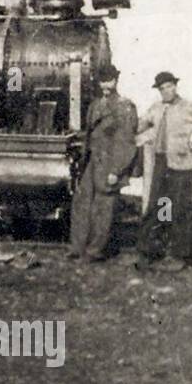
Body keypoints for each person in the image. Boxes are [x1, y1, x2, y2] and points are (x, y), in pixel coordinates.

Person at [135, 71, 192, 272]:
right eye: (162, 88)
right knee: (160, 208)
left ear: (176, 86)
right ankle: (153, 252)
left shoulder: (189, 107)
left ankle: (179, 255)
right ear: (158, 91)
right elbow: (139, 125)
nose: (166, 91)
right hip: (161, 165)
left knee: (180, 211)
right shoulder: (156, 108)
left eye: (169, 86)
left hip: (182, 168)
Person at [67, 65, 138, 261]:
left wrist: (116, 170)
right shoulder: (95, 105)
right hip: (92, 162)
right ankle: (77, 248)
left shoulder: (125, 106)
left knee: (103, 208)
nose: (106, 85)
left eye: (110, 80)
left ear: (116, 81)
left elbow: (127, 142)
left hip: (110, 163)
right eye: (103, 81)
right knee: (82, 203)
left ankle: (94, 251)